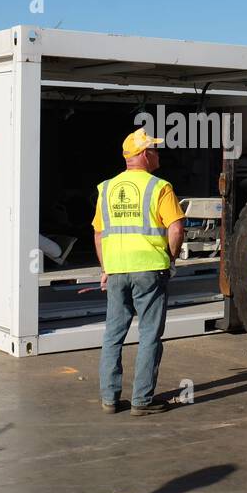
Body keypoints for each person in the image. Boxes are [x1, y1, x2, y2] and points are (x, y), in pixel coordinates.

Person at [93, 128, 186, 416]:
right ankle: (142, 401)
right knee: (149, 335)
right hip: (149, 269)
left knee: (113, 335)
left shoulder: (106, 188)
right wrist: (170, 258)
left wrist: (106, 267)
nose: (158, 155)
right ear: (145, 154)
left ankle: (110, 399)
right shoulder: (160, 187)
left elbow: (99, 233)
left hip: (117, 269)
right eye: (154, 150)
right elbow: (176, 227)